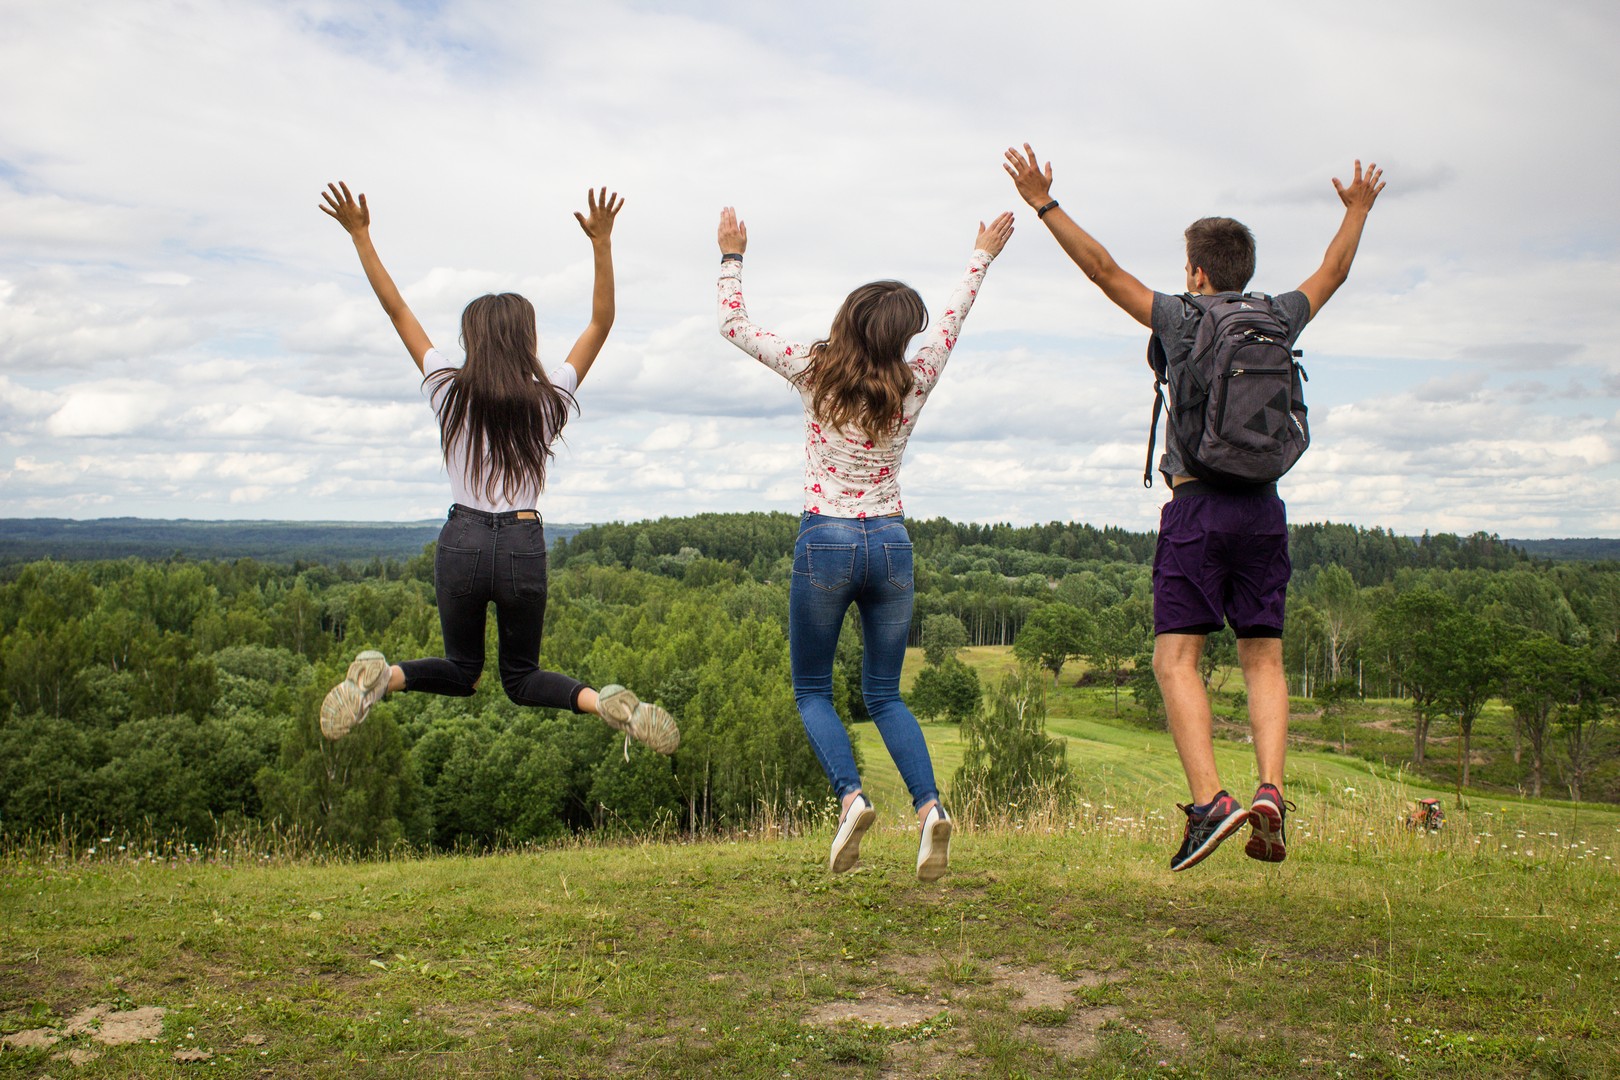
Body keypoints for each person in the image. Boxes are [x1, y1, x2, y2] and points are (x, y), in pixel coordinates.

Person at [1003, 144, 1385, 871]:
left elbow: (1103, 271)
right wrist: (1358, 209)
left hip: (1198, 509)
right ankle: (1270, 791)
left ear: (1199, 272)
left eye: (1188, 269)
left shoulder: (1183, 319)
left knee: (1176, 657)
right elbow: (1334, 271)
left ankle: (1211, 801)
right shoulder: (1277, 314)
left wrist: (1044, 204)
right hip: (1264, 510)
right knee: (1263, 658)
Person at [315, 181, 677, 758]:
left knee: (463, 670)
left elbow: (397, 309)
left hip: (461, 539)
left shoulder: (447, 390)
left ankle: (383, 679)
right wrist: (602, 244)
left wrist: (361, 237)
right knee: (521, 677)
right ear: (527, 338)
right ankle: (606, 704)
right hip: (521, 543)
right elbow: (601, 323)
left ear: (471, 340)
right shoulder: (548, 397)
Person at [715, 205, 1014, 880]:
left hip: (825, 539)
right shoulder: (917, 378)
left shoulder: (812, 368)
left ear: (849, 320)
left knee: (813, 690)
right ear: (900, 335)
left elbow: (733, 326)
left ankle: (851, 798)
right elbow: (953, 322)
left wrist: (732, 256)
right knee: (885, 695)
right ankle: (930, 808)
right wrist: (981, 256)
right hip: (891, 543)